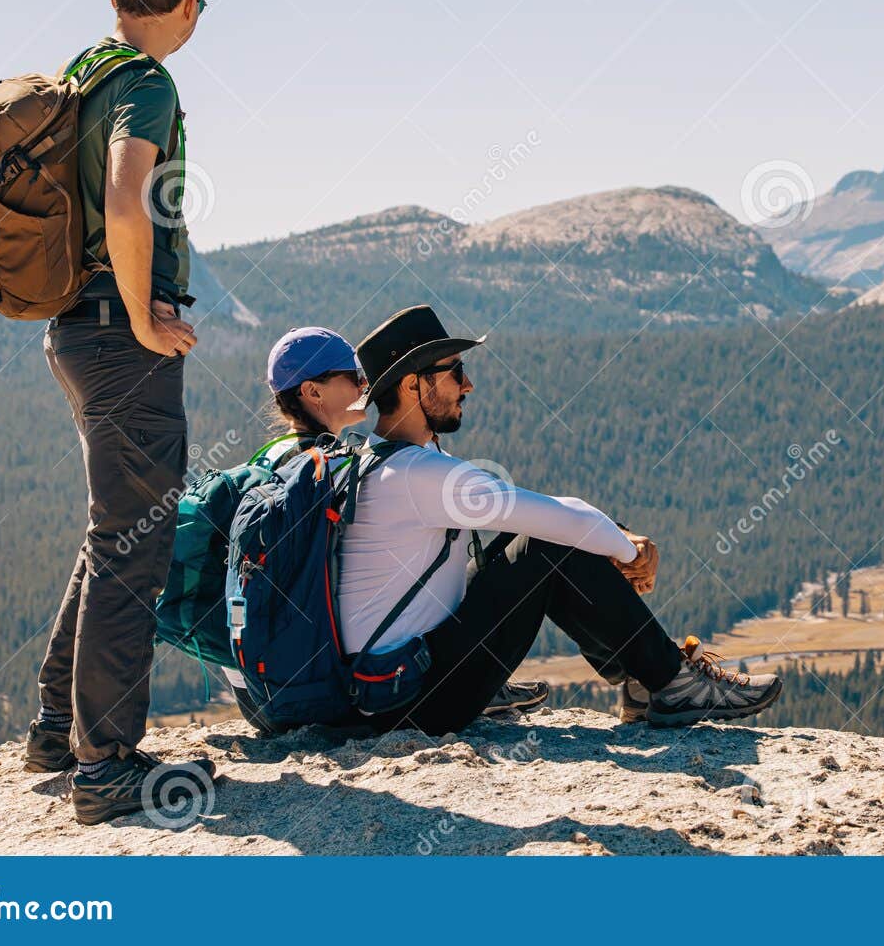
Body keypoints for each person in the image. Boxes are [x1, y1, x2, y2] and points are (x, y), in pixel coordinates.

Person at [322, 304, 782, 733]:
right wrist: (631, 550)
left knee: (534, 539)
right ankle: (668, 681)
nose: (468, 385)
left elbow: (543, 521)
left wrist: (612, 536)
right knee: (548, 545)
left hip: (385, 688)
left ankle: (647, 681)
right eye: (455, 371)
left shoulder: (373, 461)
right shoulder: (419, 475)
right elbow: (563, 518)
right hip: (411, 701)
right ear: (411, 385)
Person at [23, 0, 218, 826]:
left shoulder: (85, 70)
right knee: (135, 542)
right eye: (200, 0)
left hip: (71, 329)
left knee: (114, 530)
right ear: (180, 3)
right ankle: (105, 766)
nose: (201, 15)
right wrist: (145, 316)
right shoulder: (146, 83)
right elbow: (126, 194)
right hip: (117, 332)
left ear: (115, 0)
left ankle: (56, 731)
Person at [240, 326, 549, 730]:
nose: (367, 385)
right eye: (353, 377)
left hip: (260, 690)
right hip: (306, 688)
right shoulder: (311, 468)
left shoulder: (278, 460)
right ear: (313, 392)